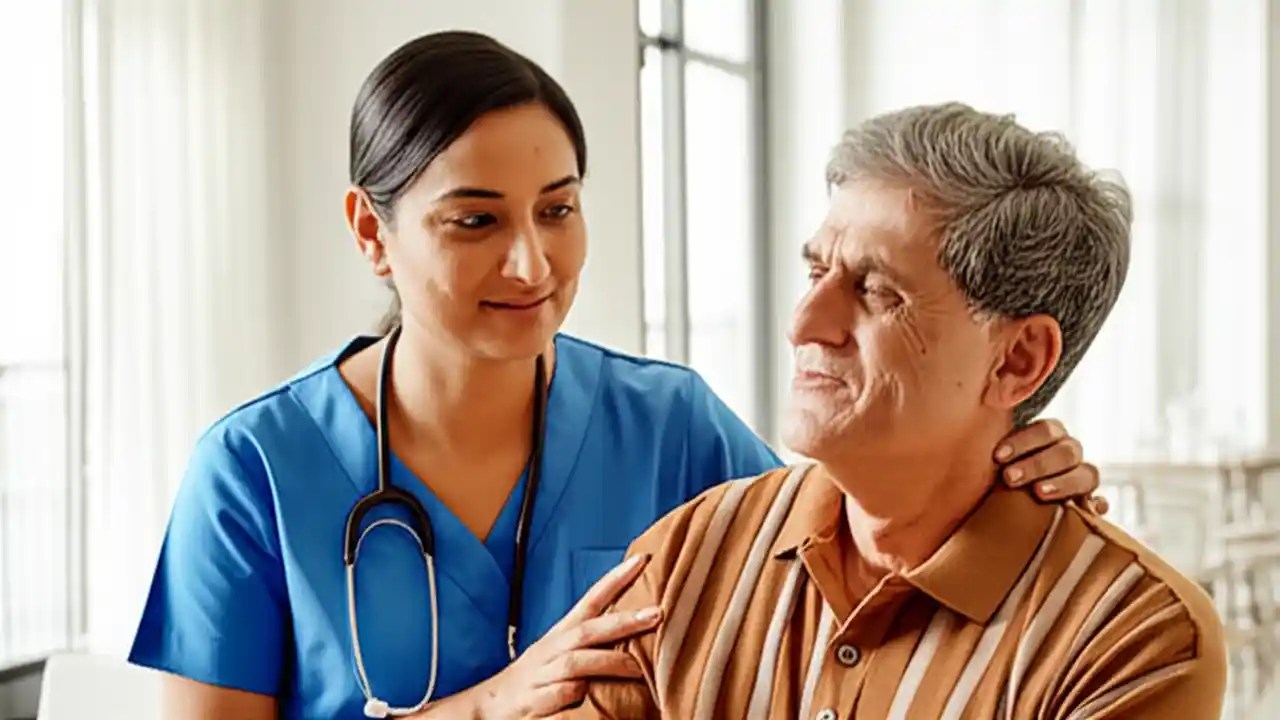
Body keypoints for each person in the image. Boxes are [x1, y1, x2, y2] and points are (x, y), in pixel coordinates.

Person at [126, 34, 1105, 720]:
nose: (530, 264)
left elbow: (855, 549)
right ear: (369, 231)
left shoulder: (666, 424)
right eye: (475, 220)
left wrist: (997, 452)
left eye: (556, 210)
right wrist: (491, 706)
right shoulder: (254, 468)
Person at [567, 103, 1227, 719]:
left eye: (876, 290)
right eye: (815, 274)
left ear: (1018, 360)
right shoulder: (688, 557)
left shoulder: (1132, 639)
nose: (804, 324)